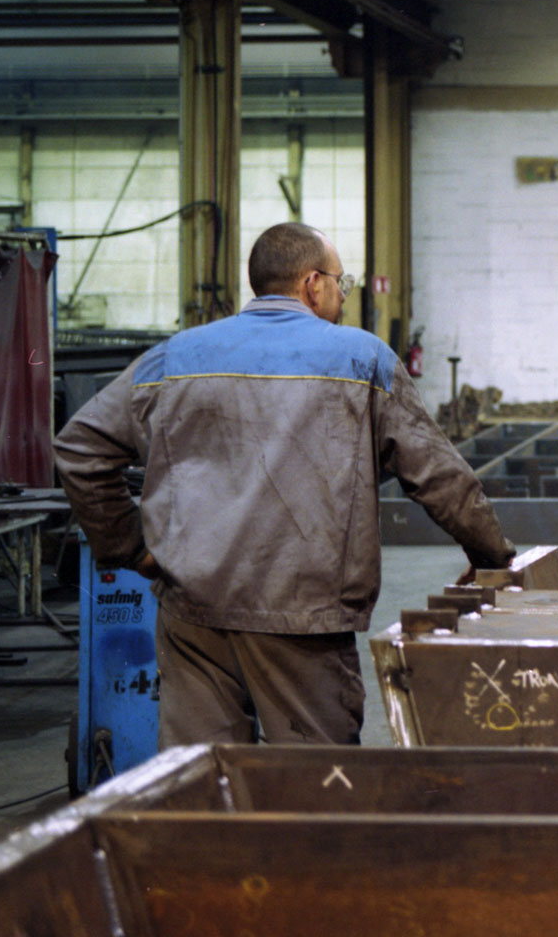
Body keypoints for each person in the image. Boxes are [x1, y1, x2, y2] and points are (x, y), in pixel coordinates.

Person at [54, 222, 513, 747]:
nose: (344, 293)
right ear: (313, 284)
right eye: (343, 282)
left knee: (199, 784)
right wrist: (494, 558)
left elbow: (78, 448)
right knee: (317, 788)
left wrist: (129, 550)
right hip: (302, 620)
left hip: (193, 611)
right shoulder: (362, 360)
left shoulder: (173, 357)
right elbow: (439, 477)